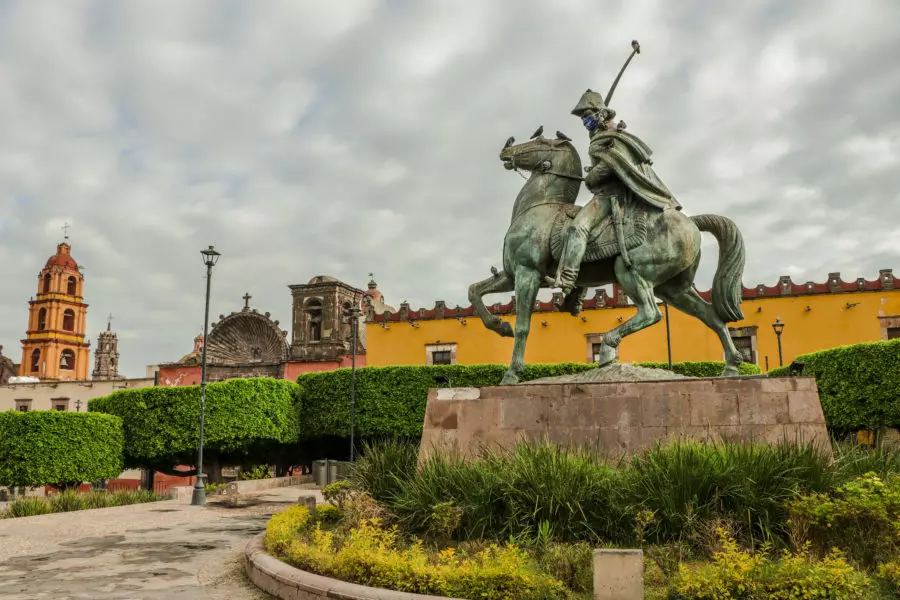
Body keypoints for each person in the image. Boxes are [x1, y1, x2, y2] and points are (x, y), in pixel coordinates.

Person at [554, 89, 682, 296]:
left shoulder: (609, 137)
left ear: (599, 114)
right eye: (583, 118)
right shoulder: (606, 136)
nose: (585, 121)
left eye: (587, 116)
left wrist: (591, 176)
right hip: (611, 193)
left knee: (577, 228)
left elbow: (610, 165)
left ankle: (567, 278)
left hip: (610, 197)